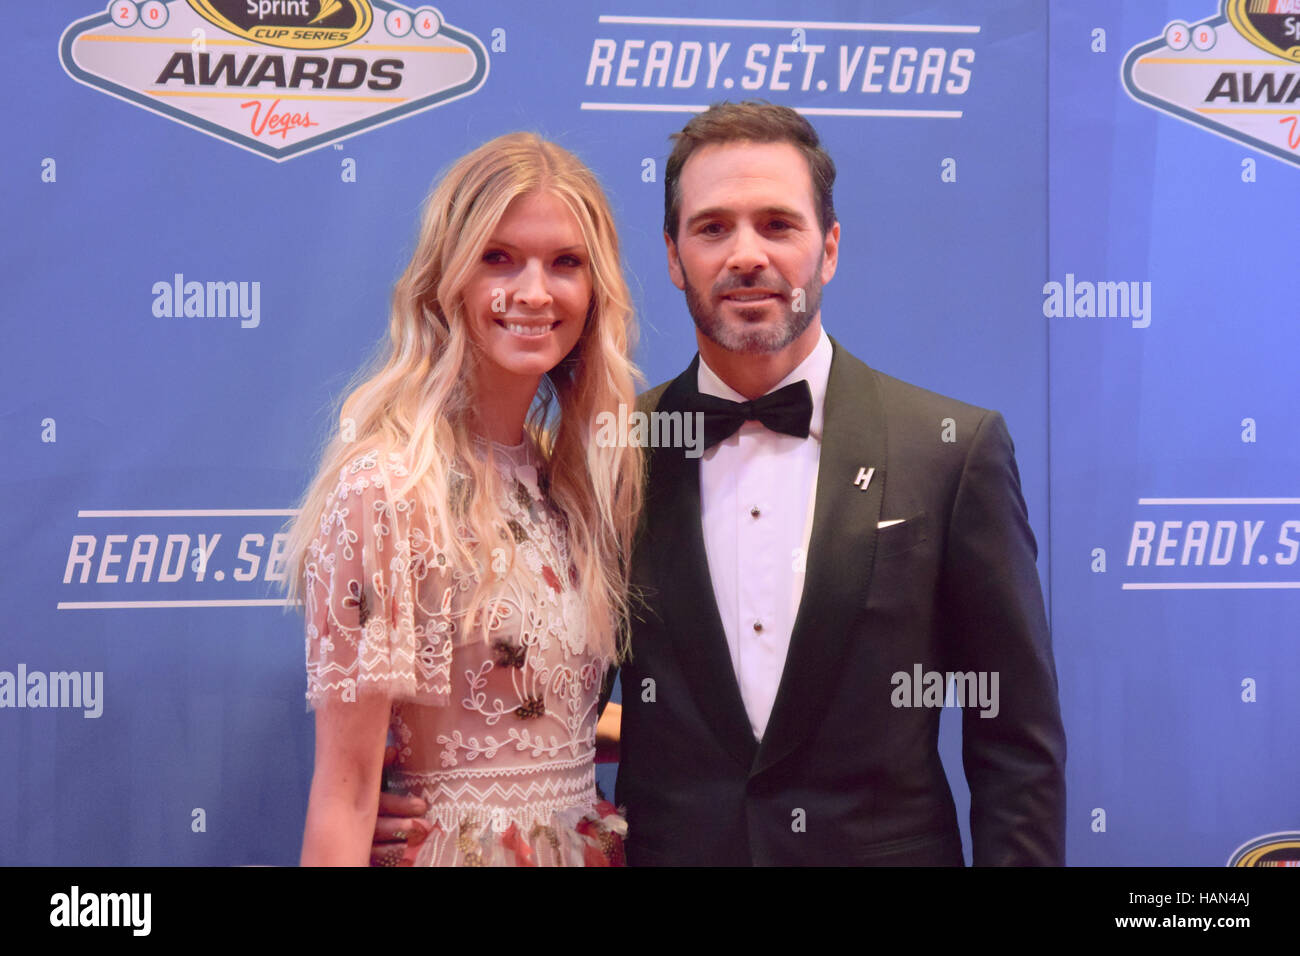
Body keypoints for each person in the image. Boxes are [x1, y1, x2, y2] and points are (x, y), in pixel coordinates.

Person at [374, 101, 1067, 866]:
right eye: (712, 228)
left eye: (778, 224)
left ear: (829, 248)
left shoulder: (951, 452)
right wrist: (436, 803)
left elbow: (1016, 746)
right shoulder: (600, 455)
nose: (746, 255)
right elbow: (538, 681)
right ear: (672, 257)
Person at [285, 132, 642, 866]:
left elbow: (536, 707)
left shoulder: (568, 482)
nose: (534, 292)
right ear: (447, 278)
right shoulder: (386, 488)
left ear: (596, 290)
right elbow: (347, 789)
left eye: (565, 263)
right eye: (498, 257)